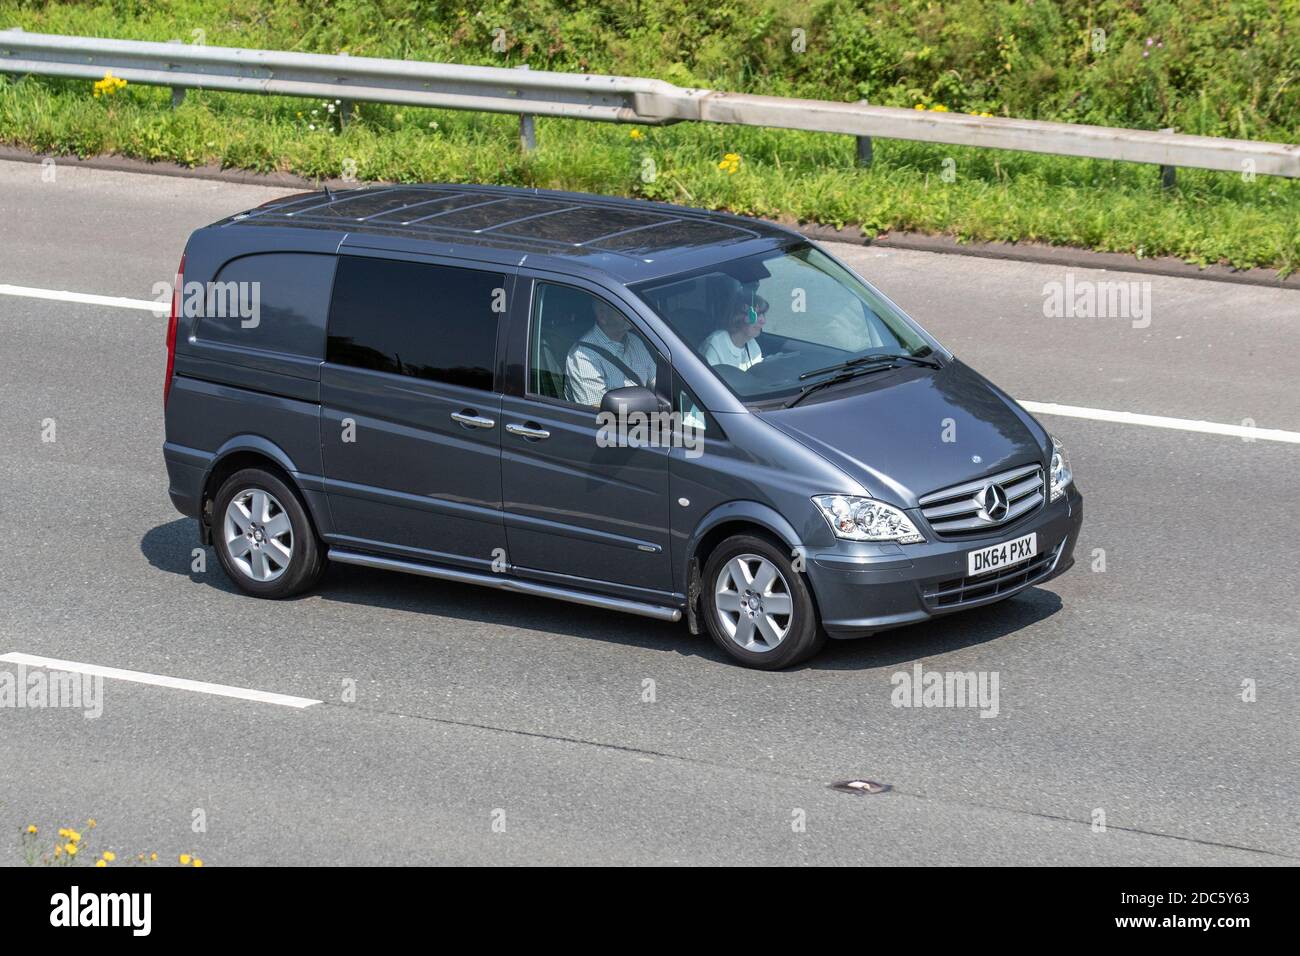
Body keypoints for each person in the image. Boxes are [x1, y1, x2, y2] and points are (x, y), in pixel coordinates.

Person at [565, 299, 657, 407]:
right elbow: (598, 414)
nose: (632, 312)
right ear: (602, 316)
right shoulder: (583, 357)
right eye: (623, 308)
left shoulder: (634, 340)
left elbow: (655, 381)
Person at [700, 288, 767, 371]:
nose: (763, 321)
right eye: (757, 314)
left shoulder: (752, 345)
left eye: (763, 315)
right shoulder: (716, 344)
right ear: (738, 316)